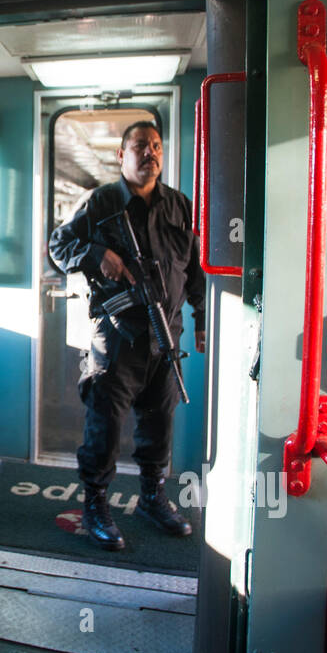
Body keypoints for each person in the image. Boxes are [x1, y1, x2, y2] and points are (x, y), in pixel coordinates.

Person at [48, 117, 205, 551]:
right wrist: (96, 253)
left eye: (156, 146)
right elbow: (59, 246)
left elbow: (193, 268)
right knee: (106, 424)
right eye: (140, 146)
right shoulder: (100, 202)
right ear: (122, 155)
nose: (149, 153)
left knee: (160, 422)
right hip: (117, 337)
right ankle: (96, 503)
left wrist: (201, 317)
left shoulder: (180, 206)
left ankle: (152, 498)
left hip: (166, 335)